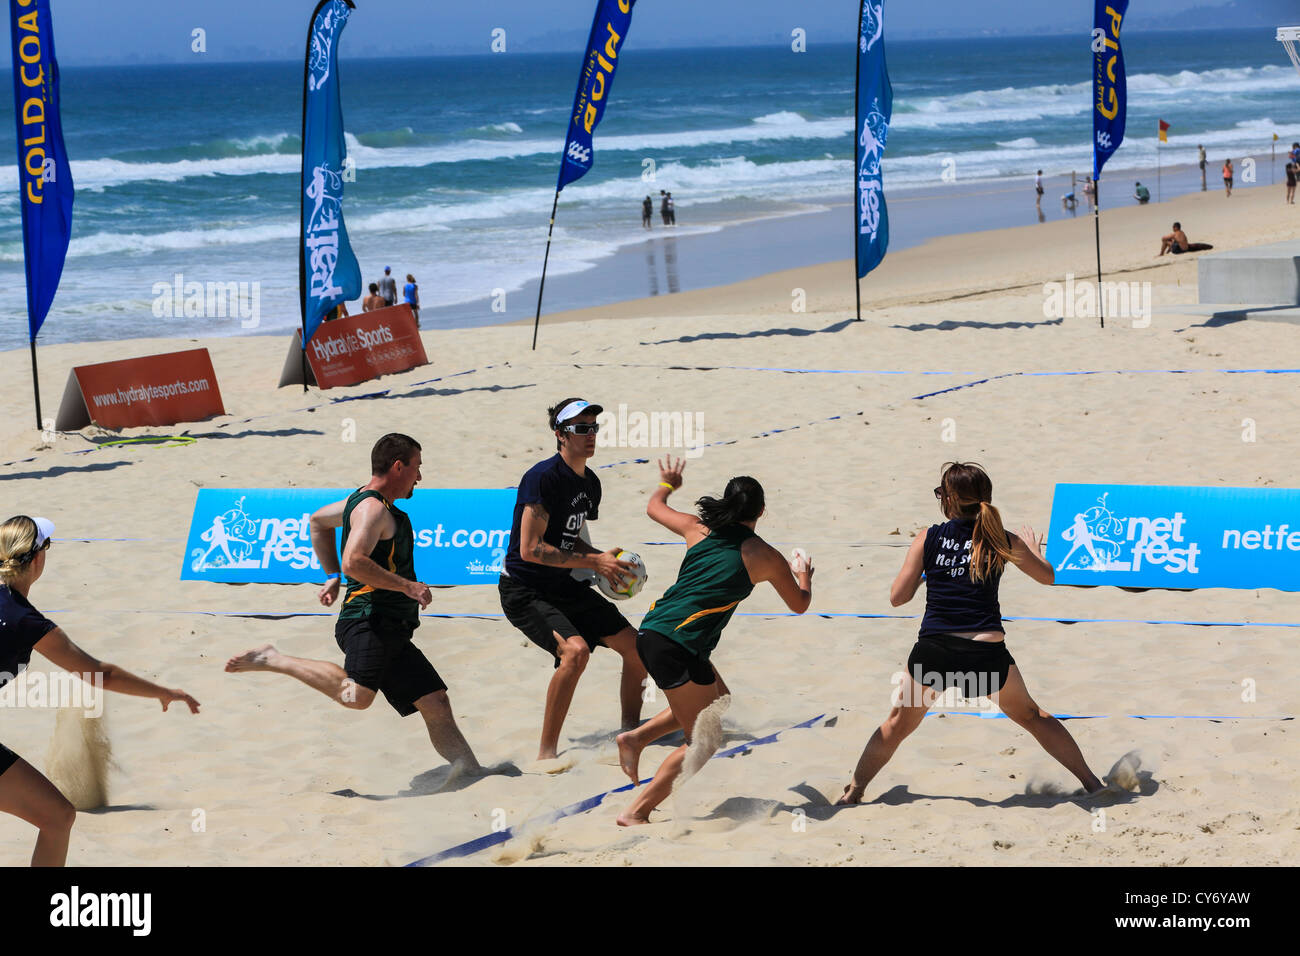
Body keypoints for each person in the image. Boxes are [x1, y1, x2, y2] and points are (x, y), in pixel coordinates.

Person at [836, 463, 1107, 805]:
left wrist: (928, 574)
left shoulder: (928, 537)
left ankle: (854, 792)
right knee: (1032, 717)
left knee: (896, 726)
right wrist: (1035, 549)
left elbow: (897, 598)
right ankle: (1094, 785)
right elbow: (1048, 577)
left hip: (936, 651)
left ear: (949, 499)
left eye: (940, 493)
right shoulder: (1002, 539)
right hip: (985, 654)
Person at [226, 434, 481, 775]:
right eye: (417, 468)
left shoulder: (359, 501)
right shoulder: (372, 508)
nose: (419, 477)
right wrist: (408, 586)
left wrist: (330, 574)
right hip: (367, 620)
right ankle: (272, 658)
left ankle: (470, 771)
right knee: (357, 696)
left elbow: (317, 521)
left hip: (391, 626)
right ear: (398, 466)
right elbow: (355, 562)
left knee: (435, 702)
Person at [615, 461, 813, 825]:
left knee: (718, 700)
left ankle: (636, 738)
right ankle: (635, 811)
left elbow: (653, 507)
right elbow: (799, 605)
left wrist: (666, 483)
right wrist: (804, 576)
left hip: (654, 632)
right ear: (761, 512)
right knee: (704, 741)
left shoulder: (696, 527)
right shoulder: (763, 555)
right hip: (676, 645)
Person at [0, 516, 200, 866]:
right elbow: (100, 674)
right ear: (37, 558)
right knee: (57, 817)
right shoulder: (23, 620)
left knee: (58, 816)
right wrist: (162, 691)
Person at [498, 398, 647, 762]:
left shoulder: (591, 483)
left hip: (565, 585)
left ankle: (630, 731)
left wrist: (599, 560)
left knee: (638, 650)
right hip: (526, 589)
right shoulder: (542, 478)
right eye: (582, 429)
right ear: (560, 435)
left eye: (594, 428)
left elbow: (568, 535)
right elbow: (531, 549)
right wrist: (594, 560)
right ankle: (546, 753)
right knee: (576, 653)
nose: (591, 435)